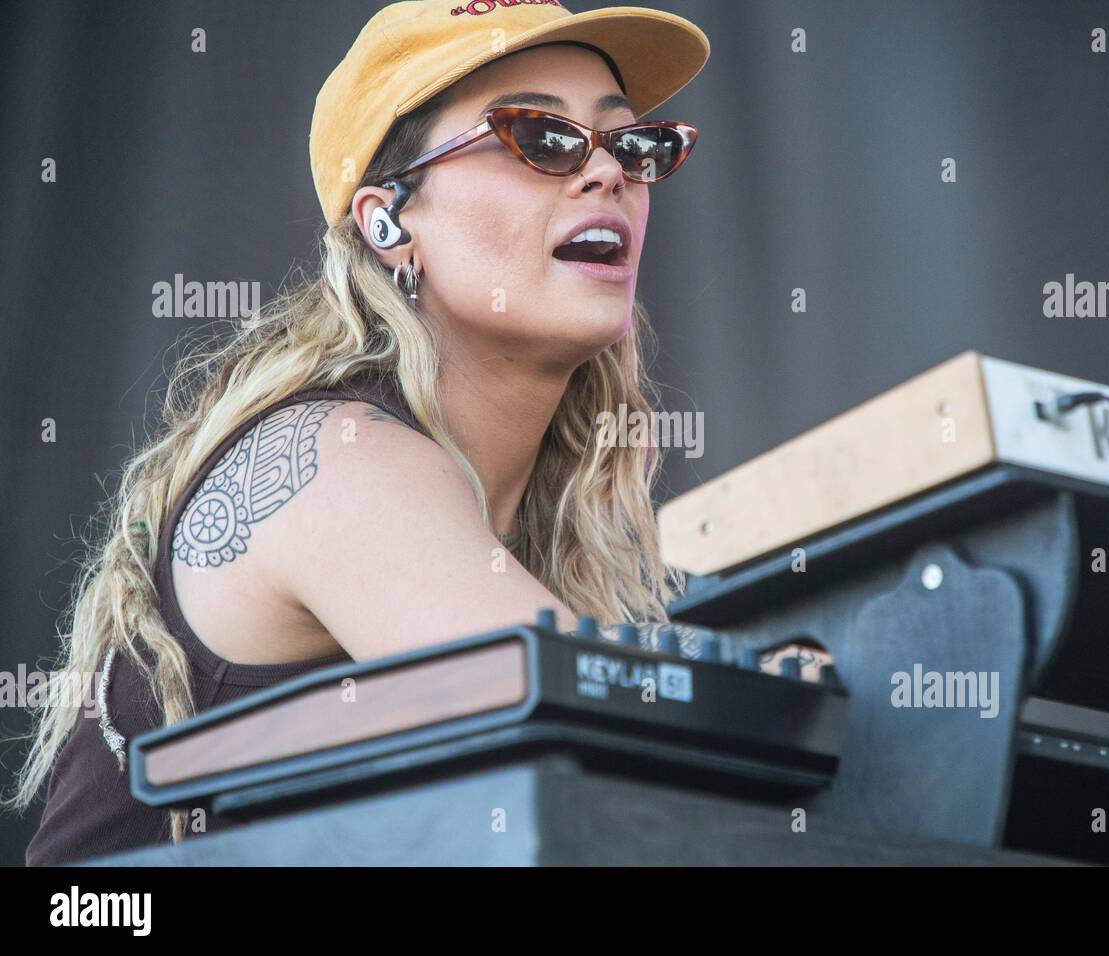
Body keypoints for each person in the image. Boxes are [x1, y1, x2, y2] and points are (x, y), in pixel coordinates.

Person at [12, 0, 716, 865]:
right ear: (388, 222)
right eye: (542, 137)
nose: (607, 173)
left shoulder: (514, 516)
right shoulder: (341, 464)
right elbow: (622, 780)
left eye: (632, 144)